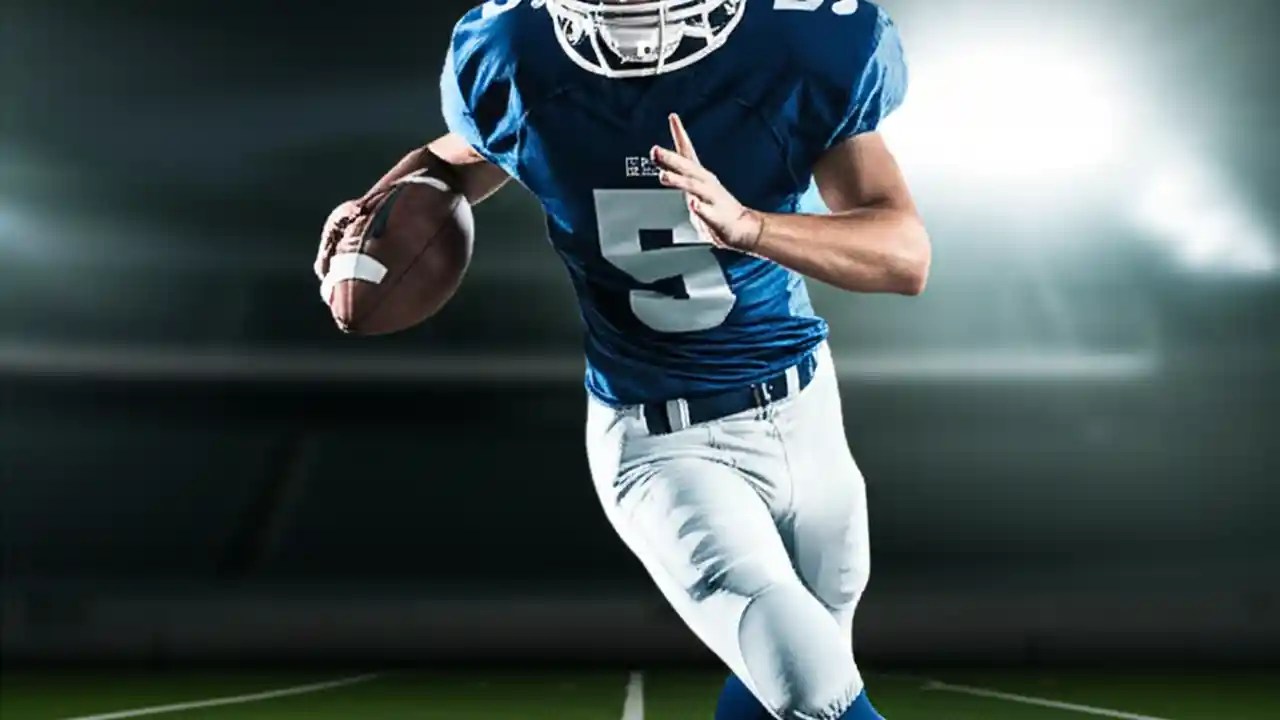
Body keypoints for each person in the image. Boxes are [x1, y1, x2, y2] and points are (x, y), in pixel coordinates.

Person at [315, 1, 930, 717]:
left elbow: (905, 254)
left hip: (806, 409)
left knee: (796, 674)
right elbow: (450, 162)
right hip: (663, 441)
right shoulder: (521, 55)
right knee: (810, 688)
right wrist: (375, 206)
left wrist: (752, 227)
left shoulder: (795, 45)